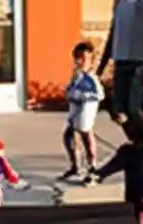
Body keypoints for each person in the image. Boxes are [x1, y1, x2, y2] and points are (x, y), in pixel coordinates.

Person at [91, 117, 143, 223]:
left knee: (140, 213)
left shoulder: (126, 152)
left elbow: (113, 166)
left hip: (135, 190)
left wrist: (99, 174)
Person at [60, 41, 104, 183]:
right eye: (77, 58)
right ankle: (75, 165)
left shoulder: (91, 79)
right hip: (75, 112)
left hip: (86, 113)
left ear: (91, 61)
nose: (79, 62)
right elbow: (70, 90)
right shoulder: (76, 76)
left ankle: (92, 166)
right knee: (69, 137)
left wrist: (83, 96)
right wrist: (70, 94)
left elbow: (99, 95)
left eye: (83, 59)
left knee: (87, 136)